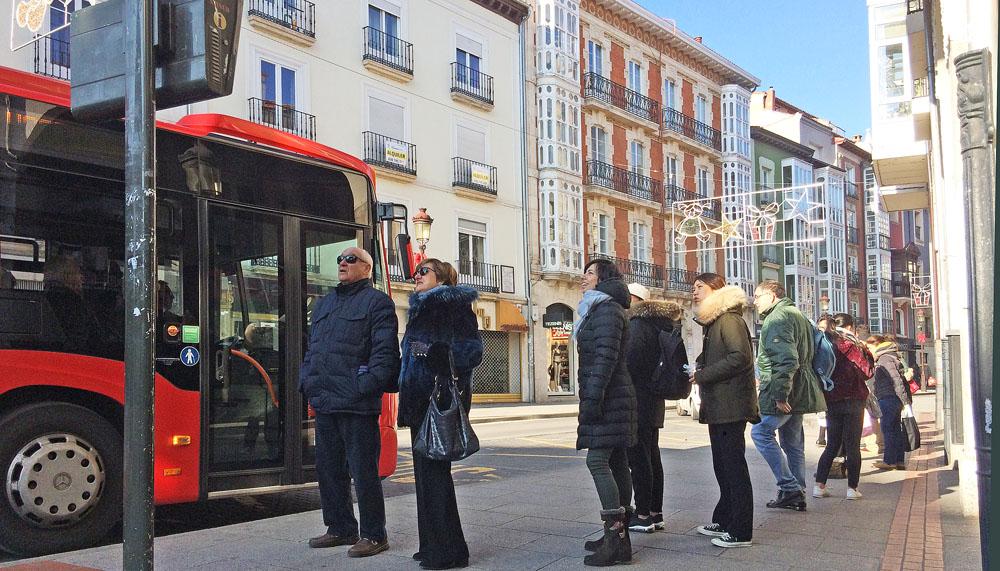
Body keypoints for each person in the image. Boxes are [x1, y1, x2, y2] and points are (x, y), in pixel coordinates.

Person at [299, 247, 400, 557]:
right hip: (326, 399)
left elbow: (385, 355)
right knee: (328, 470)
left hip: (357, 403)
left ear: (367, 268)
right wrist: (308, 380)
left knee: (363, 471)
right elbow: (312, 349)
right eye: (340, 260)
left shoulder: (378, 303)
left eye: (351, 259)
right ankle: (340, 528)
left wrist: (365, 386)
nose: (343, 263)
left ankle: (374, 534)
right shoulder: (324, 304)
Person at [398, 258, 483, 570]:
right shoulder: (420, 308)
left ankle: (449, 551)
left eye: (424, 271)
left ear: (442, 278)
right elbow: (411, 354)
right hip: (418, 401)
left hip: (439, 399)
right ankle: (431, 544)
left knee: (435, 478)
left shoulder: (454, 306)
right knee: (424, 477)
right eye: (416, 271)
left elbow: (472, 350)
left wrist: (438, 354)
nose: (416, 275)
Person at [689, 273, 759, 549]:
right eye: (693, 288)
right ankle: (725, 517)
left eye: (700, 288)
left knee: (734, 467)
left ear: (716, 291)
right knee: (722, 465)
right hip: (720, 404)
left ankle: (741, 531)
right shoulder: (715, 321)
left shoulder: (729, 319)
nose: (694, 292)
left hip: (731, 405)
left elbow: (739, 357)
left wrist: (704, 374)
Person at [575, 258, 637, 567]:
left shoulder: (607, 310)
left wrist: (592, 398)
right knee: (616, 461)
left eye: (589, 273)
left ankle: (617, 539)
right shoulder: (602, 308)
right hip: (613, 395)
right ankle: (617, 535)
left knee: (597, 460)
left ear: (603, 279)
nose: (583, 278)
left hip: (609, 397)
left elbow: (604, 358)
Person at [750, 280, 826, 512]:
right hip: (802, 387)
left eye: (758, 296)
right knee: (793, 443)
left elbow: (786, 360)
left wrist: (780, 395)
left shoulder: (777, 318)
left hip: (786, 389)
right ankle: (797, 492)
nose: (754, 301)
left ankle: (789, 486)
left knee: (761, 432)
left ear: (772, 295)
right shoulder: (798, 315)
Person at [623, 282, 682, 534]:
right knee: (652, 456)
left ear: (634, 299)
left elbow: (631, 363)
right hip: (654, 399)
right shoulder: (662, 324)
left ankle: (643, 513)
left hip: (638, 398)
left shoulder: (638, 325)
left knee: (639, 458)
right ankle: (656, 512)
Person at [813, 314, 875, 500]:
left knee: (832, 444)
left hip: (832, 399)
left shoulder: (825, 343)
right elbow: (867, 371)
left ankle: (819, 486)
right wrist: (868, 353)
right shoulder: (853, 344)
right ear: (849, 326)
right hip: (854, 399)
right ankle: (852, 489)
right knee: (852, 445)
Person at [870, 335, 912, 470]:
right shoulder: (891, 357)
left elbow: (896, 380)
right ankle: (899, 460)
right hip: (893, 398)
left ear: (877, 345)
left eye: (870, 347)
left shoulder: (884, 359)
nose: (869, 350)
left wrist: (905, 400)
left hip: (888, 397)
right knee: (895, 429)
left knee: (888, 429)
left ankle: (889, 461)